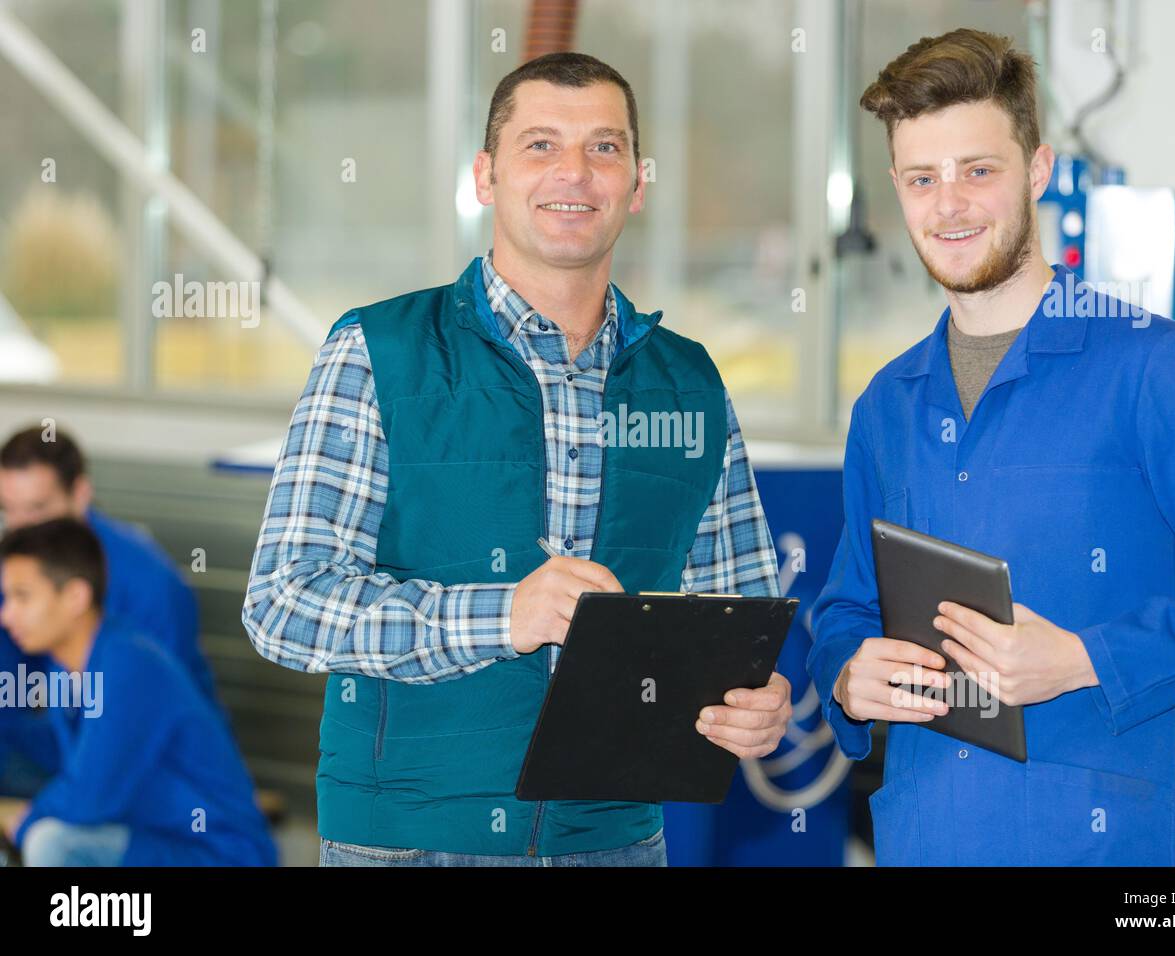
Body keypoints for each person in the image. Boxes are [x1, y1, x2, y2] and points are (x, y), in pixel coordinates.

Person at [243, 51, 792, 867]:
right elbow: (284, 602)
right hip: (408, 842)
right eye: (540, 145)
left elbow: (736, 615)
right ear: (485, 176)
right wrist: (505, 616)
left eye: (603, 148)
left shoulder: (693, 383)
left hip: (616, 842)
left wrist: (756, 702)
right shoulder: (378, 351)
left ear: (637, 183)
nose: (574, 172)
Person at [808, 28, 1175, 866]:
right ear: (896, 189)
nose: (950, 204)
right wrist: (849, 679)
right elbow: (847, 607)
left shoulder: (1150, 364)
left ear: (1036, 170)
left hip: (1088, 844)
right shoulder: (886, 405)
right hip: (922, 834)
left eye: (978, 171)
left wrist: (1082, 659)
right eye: (923, 179)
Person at [0, 518, 276, 866]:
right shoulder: (63, 666)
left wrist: (25, 824)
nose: (6, 615)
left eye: (21, 597)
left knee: (50, 842)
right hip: (145, 840)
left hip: (214, 853)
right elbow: (56, 753)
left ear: (75, 596)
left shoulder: (129, 663)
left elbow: (89, 797)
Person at [0, 425, 218, 798]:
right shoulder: (14, 567)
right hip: (57, 744)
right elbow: (10, 687)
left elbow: (153, 713)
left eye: (38, 508)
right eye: (8, 511)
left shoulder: (148, 583)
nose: (22, 528)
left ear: (81, 495)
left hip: (146, 762)